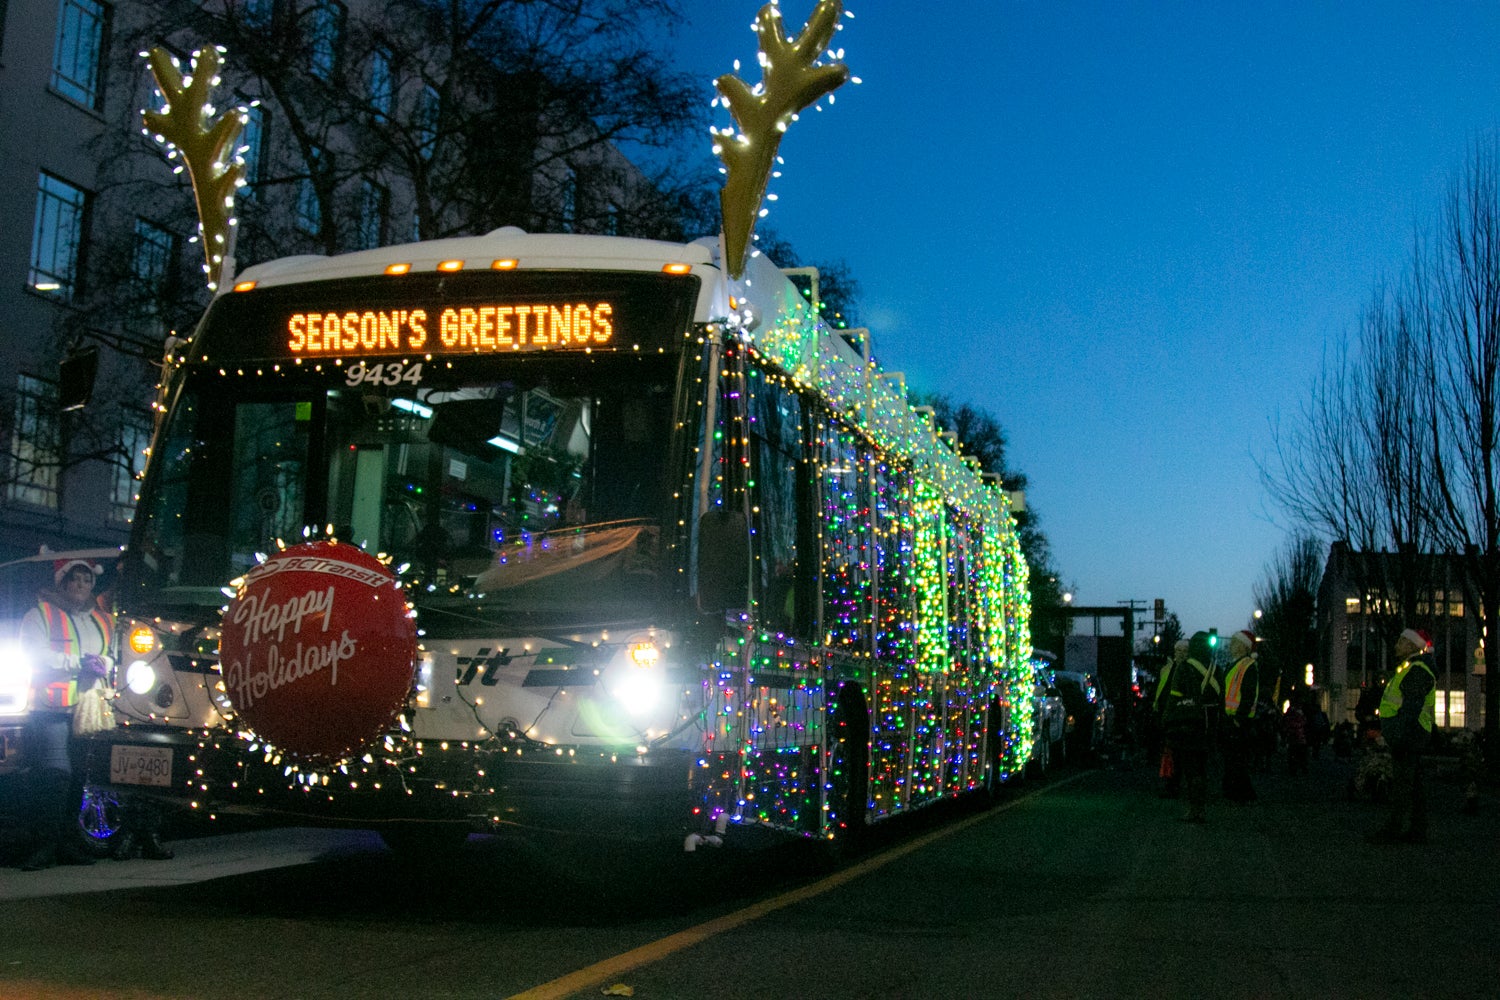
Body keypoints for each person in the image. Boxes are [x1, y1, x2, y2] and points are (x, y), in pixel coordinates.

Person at [15, 558, 114, 870]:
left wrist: (104, 665)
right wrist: (79, 663)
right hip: (51, 709)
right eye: (75, 579)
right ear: (63, 582)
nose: (81, 586)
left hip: (85, 710)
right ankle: (43, 846)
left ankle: (65, 844)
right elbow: (33, 654)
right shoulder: (40, 615)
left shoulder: (100, 619)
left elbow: (111, 656)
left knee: (75, 781)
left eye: (86, 580)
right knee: (57, 776)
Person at [1367, 628, 1437, 845]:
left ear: (1412, 646)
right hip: (1412, 735)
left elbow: (1410, 709)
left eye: (1401, 641)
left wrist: (1399, 736)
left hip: (1409, 736)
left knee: (1402, 785)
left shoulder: (1416, 671)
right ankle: (1417, 830)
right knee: (1413, 785)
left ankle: (1394, 830)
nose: (1396, 645)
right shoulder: (1415, 669)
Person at [1159, 631, 1222, 822]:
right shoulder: (1216, 669)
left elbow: (1174, 697)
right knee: (1201, 767)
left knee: (1190, 768)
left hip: (1188, 725)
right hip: (1209, 723)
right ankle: (1200, 806)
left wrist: (1166, 720)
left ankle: (1194, 809)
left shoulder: (1184, 668)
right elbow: (1221, 699)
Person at [1221, 629, 1260, 803]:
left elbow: (1248, 694)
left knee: (1237, 758)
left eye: (1234, 642)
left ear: (1243, 647)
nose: (1230, 645)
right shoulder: (1239, 664)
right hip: (1233, 719)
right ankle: (1238, 791)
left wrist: (1238, 718)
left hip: (1238, 720)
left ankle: (1240, 792)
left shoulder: (1246, 666)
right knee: (1235, 758)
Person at [1152, 639, 1189, 798]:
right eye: (1177, 651)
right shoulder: (1167, 669)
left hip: (1178, 717)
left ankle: (1173, 784)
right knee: (1169, 753)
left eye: (1183, 651)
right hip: (1167, 716)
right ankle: (1170, 783)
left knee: (1176, 753)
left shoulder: (1187, 670)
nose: (1179, 654)